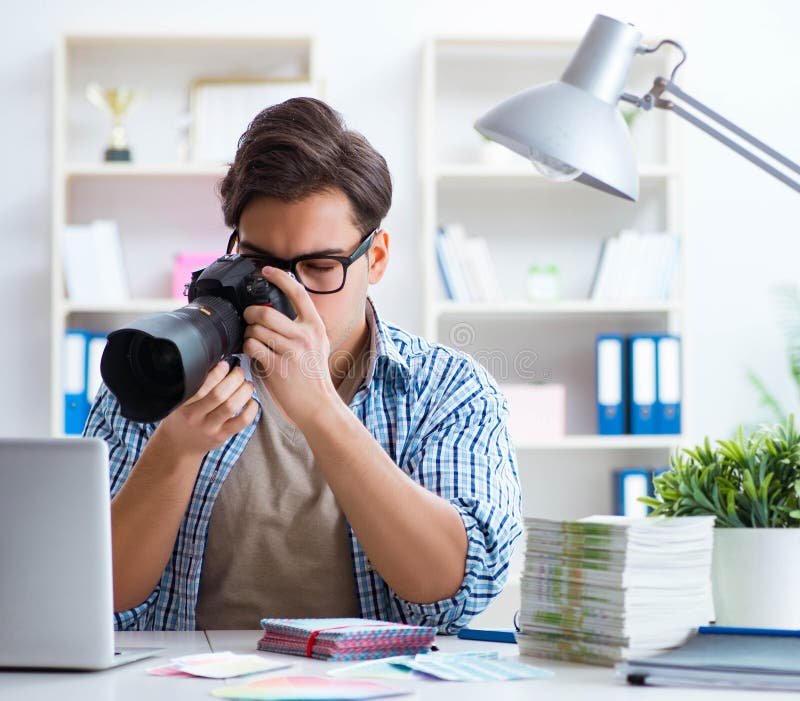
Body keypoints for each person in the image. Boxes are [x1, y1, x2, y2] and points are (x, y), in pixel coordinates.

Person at [86, 97, 522, 633]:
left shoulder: (447, 389)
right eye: (259, 264)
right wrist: (175, 449)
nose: (284, 293)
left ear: (376, 258)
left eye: (319, 267)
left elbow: (452, 589)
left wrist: (322, 411)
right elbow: (97, 596)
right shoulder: (161, 365)